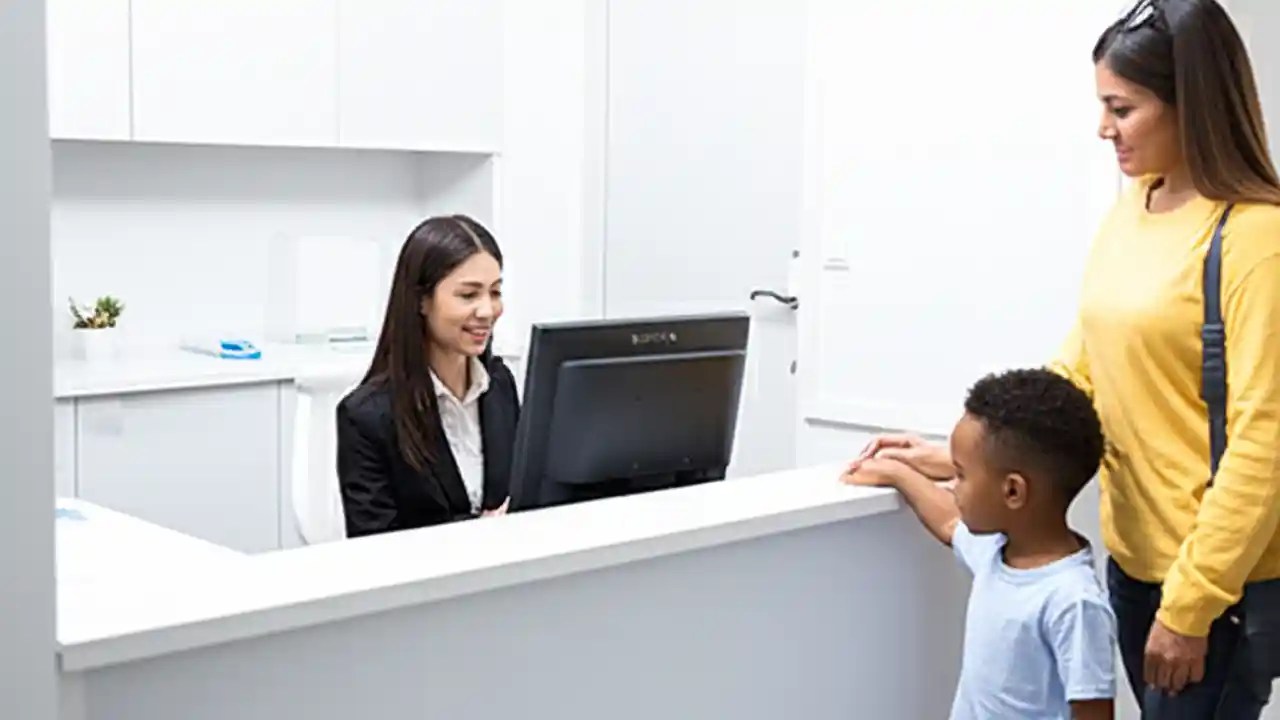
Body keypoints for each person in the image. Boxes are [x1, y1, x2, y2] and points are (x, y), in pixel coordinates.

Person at [856, 1, 1280, 716]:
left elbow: (1265, 444)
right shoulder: (1136, 208)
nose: (1104, 128)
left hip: (1214, 589)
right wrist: (967, 457)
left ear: (1192, 103)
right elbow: (1082, 370)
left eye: (1122, 108)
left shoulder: (1257, 238)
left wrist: (1193, 603)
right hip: (1136, 563)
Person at [845, 368, 1116, 720]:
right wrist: (897, 474)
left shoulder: (1073, 601)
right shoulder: (996, 552)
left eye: (961, 474)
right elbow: (948, 522)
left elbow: (1093, 712)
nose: (953, 487)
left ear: (1013, 491)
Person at [336, 215, 520, 537]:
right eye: (469, 295)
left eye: (495, 292)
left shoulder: (499, 384)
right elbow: (375, 547)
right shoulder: (366, 418)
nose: (487, 311)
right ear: (421, 300)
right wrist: (482, 532)